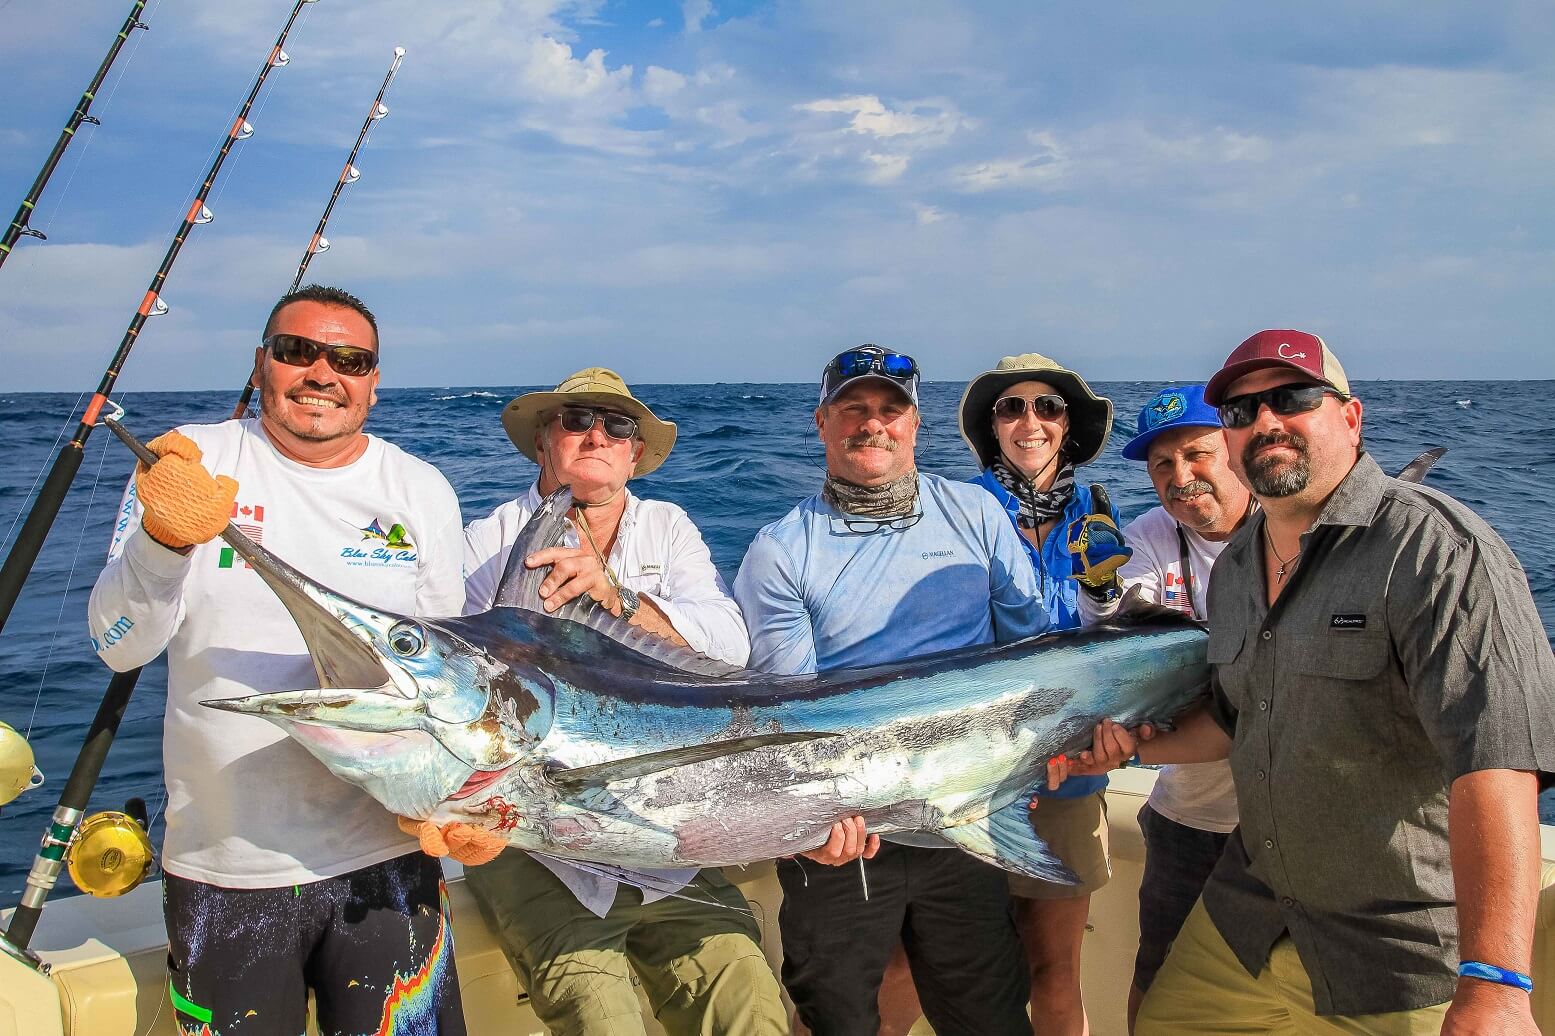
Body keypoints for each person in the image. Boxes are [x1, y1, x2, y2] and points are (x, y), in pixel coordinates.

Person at [1071, 330, 1555, 1035]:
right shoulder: (1239, 566)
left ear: (1350, 416)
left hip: (1395, 939)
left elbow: (1498, 763)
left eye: (1290, 398)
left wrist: (1496, 983)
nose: (1263, 421)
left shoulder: (1438, 549)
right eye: (1240, 412)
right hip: (1248, 909)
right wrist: (1129, 750)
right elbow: (1235, 723)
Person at [87, 285, 469, 1034]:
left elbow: (446, 693)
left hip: (388, 861)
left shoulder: (419, 490)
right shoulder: (188, 462)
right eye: (299, 351)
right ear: (262, 363)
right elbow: (117, 645)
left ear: (373, 382)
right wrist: (163, 542)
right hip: (225, 871)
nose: (322, 372)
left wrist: (468, 805)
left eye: (349, 359)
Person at [733, 344, 1053, 1036]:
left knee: (992, 1018)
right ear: (821, 423)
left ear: (914, 424)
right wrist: (806, 826)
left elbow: (1033, 653)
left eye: (889, 410)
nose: (871, 425)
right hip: (846, 833)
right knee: (838, 1020)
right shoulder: (781, 550)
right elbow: (786, 717)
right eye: (853, 409)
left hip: (966, 822)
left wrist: (1033, 754)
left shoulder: (975, 513)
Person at [461, 367, 788, 1036]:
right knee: (600, 1019)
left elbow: (730, 648)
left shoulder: (666, 527)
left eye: (617, 426)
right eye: (575, 420)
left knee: (752, 1007)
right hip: (536, 837)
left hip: (666, 829)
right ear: (543, 442)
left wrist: (619, 601)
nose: (596, 436)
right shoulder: (486, 543)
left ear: (635, 453)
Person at [955, 352, 1126, 1035]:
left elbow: (1117, 639)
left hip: (1072, 782)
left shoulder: (1104, 512)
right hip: (976, 778)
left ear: (1068, 426)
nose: (1030, 421)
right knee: (954, 969)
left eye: (1047, 407)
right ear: (991, 426)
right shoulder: (957, 511)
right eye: (1011, 407)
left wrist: (1106, 591)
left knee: (1055, 973)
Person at [1074, 384, 1248, 1033]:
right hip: (1189, 817)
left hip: (1290, 818)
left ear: (1234, 446)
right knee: (1161, 982)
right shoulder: (1148, 533)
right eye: (1161, 465)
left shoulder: (1292, 526)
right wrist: (1096, 585)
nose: (1180, 477)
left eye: (1196, 455)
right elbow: (1120, 636)